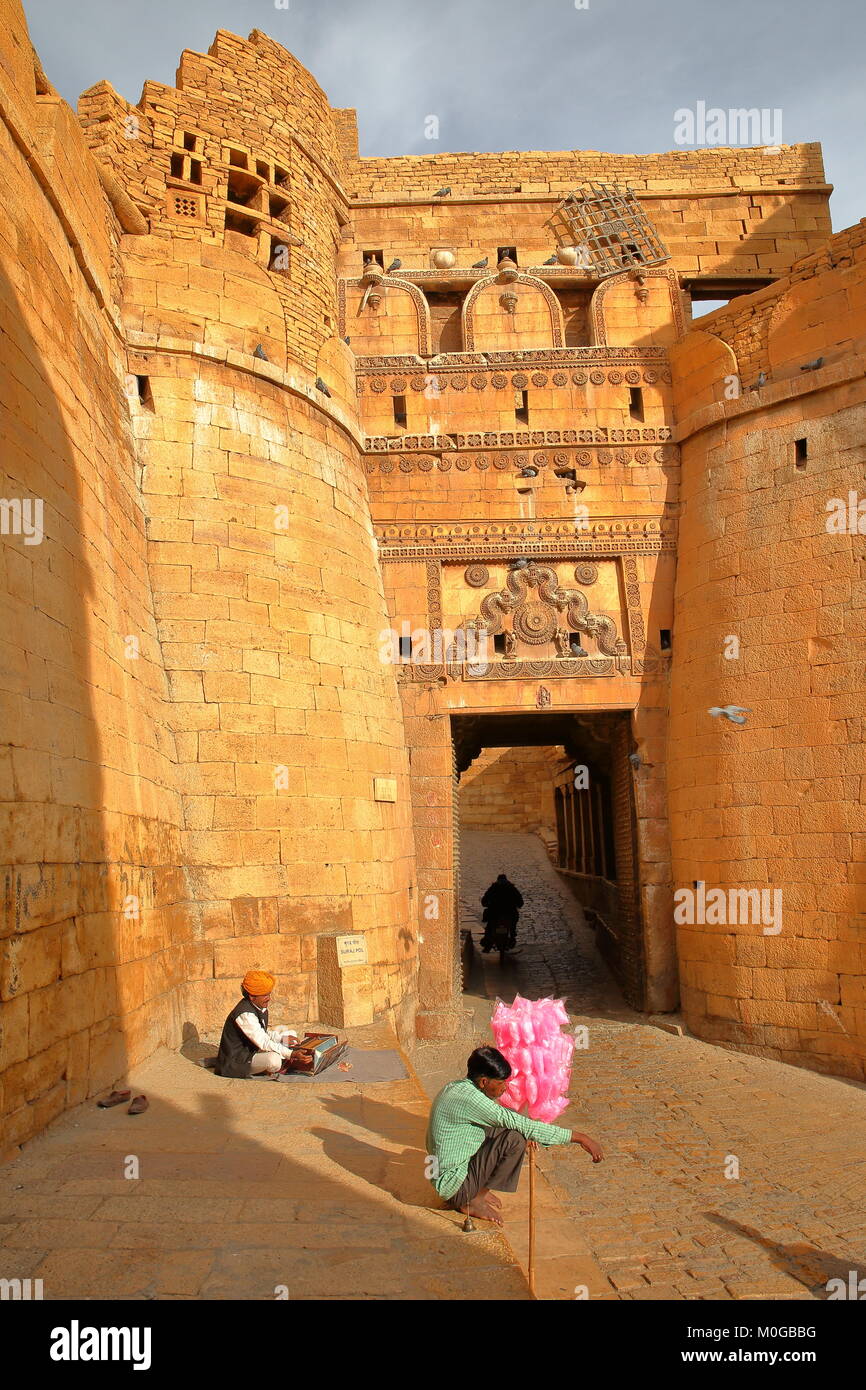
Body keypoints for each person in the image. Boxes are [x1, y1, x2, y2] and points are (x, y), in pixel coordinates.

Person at [426, 1046, 603, 1225]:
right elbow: (517, 1123)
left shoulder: (457, 1088)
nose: (504, 1088)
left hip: (443, 1174)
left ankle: (477, 1189)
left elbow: (505, 1120)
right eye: (500, 1083)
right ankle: (474, 1200)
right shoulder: (470, 1100)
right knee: (514, 1139)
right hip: (454, 1188)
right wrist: (579, 1137)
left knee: (506, 1126)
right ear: (484, 1082)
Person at [214, 970, 309, 1079]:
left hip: (254, 1050)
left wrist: (282, 1039)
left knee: (290, 1034)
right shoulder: (245, 1014)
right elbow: (263, 1042)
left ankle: (285, 1058)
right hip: (238, 1062)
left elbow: (262, 1032)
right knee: (274, 1060)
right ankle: (284, 1062)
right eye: (264, 995)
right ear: (252, 996)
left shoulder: (259, 1006)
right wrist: (291, 1054)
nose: (269, 998)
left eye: (269, 994)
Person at [480, 873, 524, 951]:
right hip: (509, 913)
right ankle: (512, 938)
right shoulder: (512, 888)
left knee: (489, 926)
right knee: (512, 926)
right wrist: (517, 905)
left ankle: (487, 943)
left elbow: (484, 901)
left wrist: (487, 904)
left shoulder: (493, 888)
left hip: (495, 913)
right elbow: (520, 901)